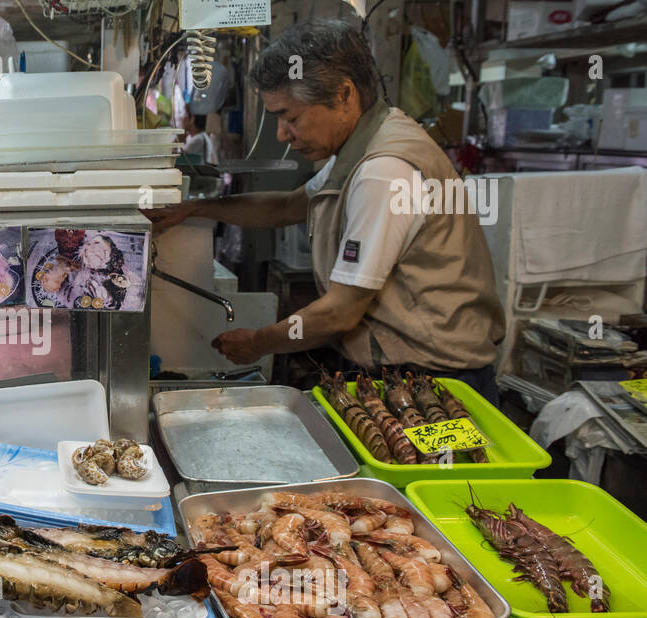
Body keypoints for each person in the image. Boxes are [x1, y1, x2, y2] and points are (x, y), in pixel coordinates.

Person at [147, 20, 506, 401]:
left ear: (343, 94)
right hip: (405, 372)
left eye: (291, 117)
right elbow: (287, 206)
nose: (283, 135)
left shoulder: (383, 171)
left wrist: (258, 342)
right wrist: (196, 208)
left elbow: (339, 312)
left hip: (434, 385)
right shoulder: (365, 142)